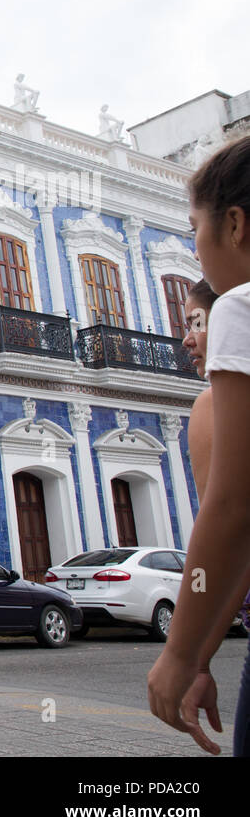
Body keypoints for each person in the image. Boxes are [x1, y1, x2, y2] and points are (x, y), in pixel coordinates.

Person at [148, 136, 250, 757]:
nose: (194, 249)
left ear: (234, 224)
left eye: (194, 230)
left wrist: (185, 652)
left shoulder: (239, 308)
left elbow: (235, 506)